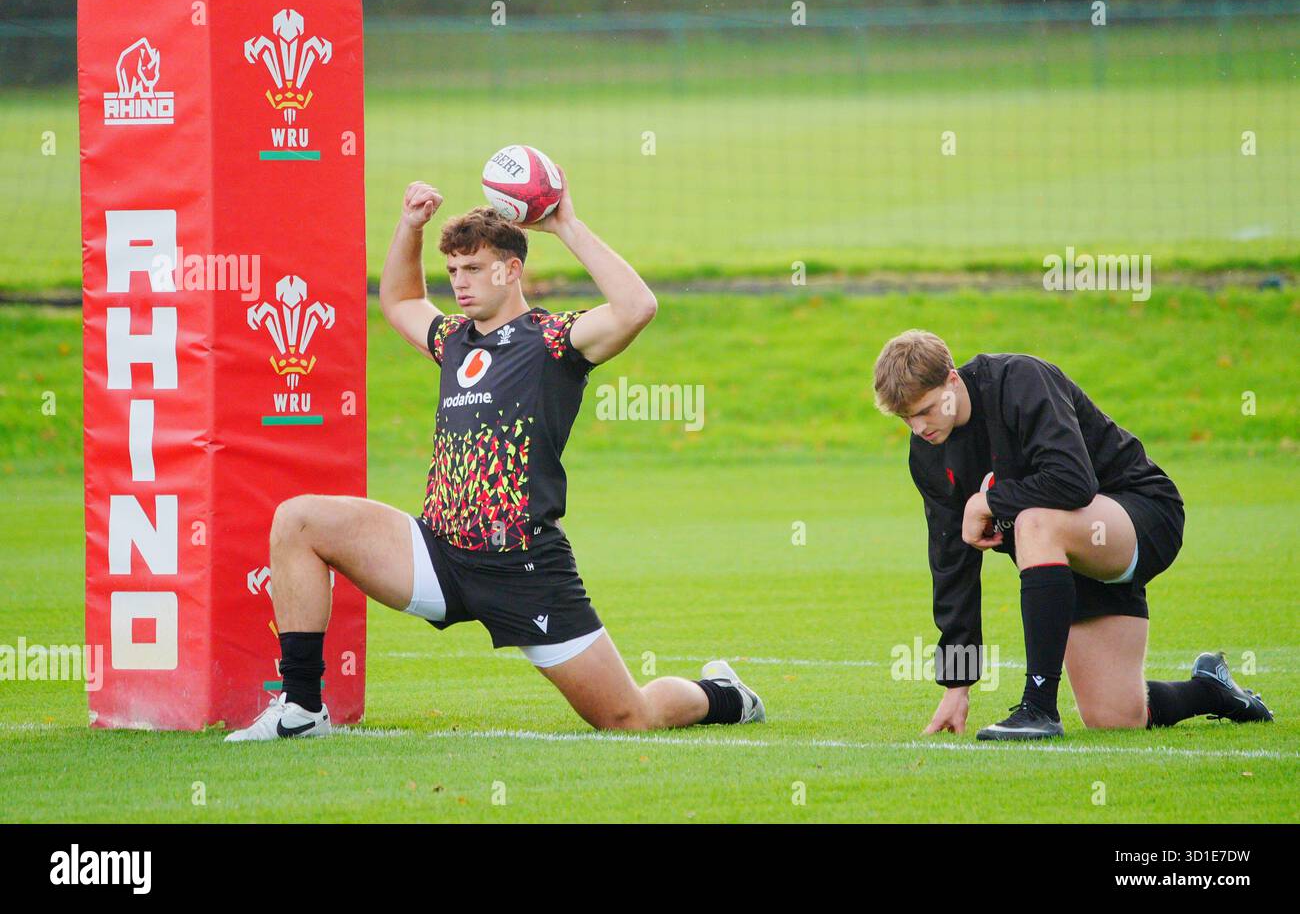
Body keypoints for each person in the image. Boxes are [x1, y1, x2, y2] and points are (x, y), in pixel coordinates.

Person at [226, 173, 763, 740]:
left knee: (629, 717)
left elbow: (636, 308)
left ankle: (724, 695)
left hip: (524, 567)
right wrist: (410, 228)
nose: (459, 283)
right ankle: (302, 707)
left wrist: (566, 226)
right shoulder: (454, 339)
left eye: (474, 269)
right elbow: (402, 300)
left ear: (511, 270)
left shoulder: (554, 339)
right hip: (439, 553)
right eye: (453, 270)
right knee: (298, 519)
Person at [872, 329, 1273, 740]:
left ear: (952, 380)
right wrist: (957, 686)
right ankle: (1213, 690)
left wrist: (986, 501)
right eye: (906, 418)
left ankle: (1038, 708)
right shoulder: (927, 454)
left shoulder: (1018, 382)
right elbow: (951, 563)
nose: (918, 427)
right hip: (1071, 555)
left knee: (1033, 520)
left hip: (1140, 513)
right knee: (1114, 715)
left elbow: (1073, 481)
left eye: (926, 410)